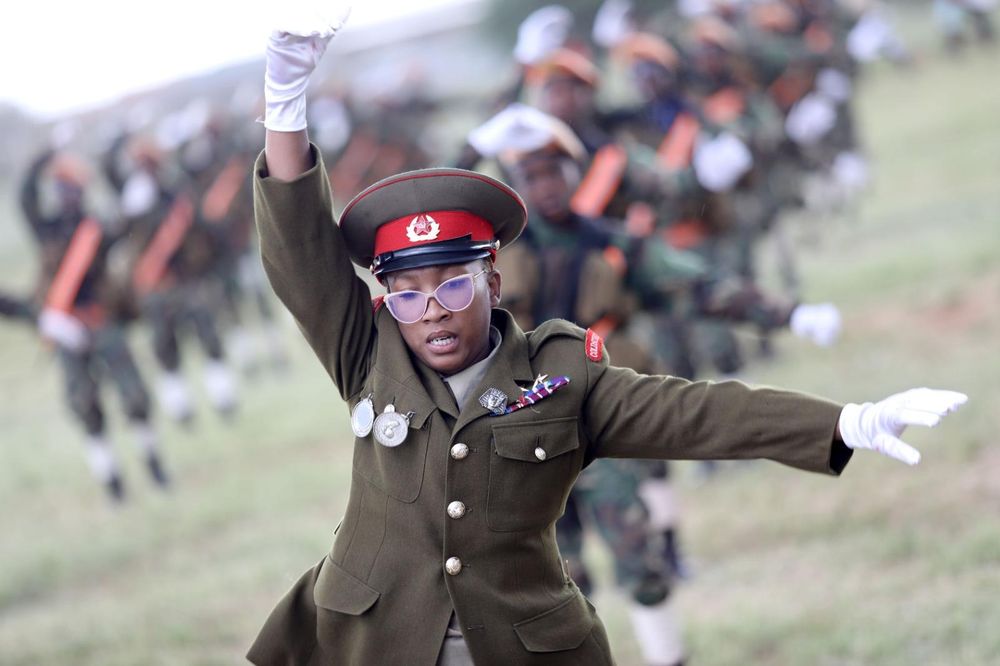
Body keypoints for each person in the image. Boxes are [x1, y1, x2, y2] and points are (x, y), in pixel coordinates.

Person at [247, 14, 967, 666]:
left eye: (453, 285)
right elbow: (302, 254)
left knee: (631, 545)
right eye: (406, 293)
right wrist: (285, 99)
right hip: (368, 644)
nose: (430, 310)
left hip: (518, 650)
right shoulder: (369, 353)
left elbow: (700, 414)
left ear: (495, 282)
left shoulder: (564, 373)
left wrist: (846, 421)